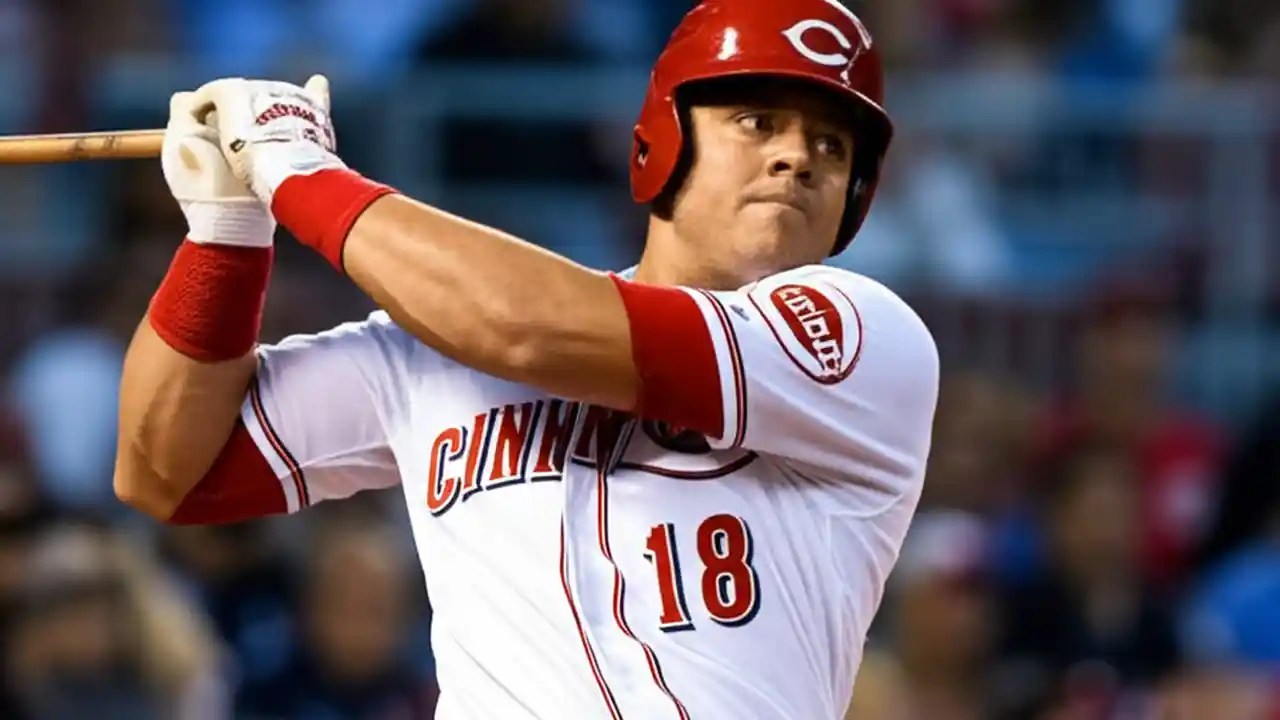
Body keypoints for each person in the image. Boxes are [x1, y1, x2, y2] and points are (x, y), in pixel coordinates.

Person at [113, 1, 940, 717]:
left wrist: (298, 174)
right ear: (662, 140)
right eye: (757, 122)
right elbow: (167, 470)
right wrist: (225, 233)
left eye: (833, 148)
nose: (799, 157)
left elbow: (523, 328)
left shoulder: (860, 337)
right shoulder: (432, 347)